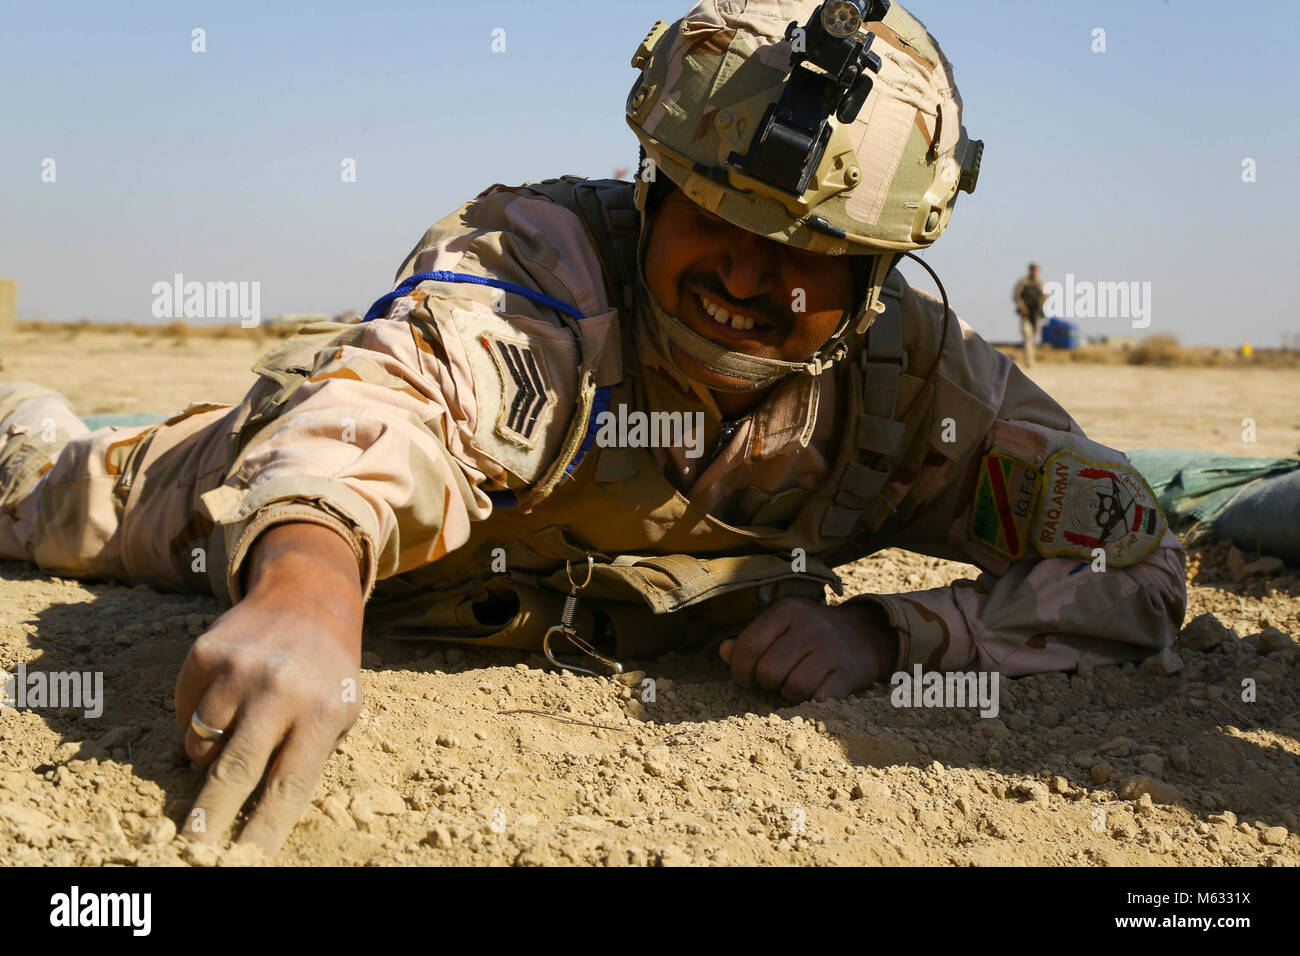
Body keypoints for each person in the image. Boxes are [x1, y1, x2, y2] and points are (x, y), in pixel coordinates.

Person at [0, 0, 1186, 856]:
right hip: (251, 489)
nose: (751, 277)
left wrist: (894, 632)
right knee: (41, 489)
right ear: (653, 190)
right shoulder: (540, 274)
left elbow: (1133, 559)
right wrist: (306, 582)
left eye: (811, 257)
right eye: (718, 219)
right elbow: (385, 413)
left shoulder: (916, 388)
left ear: (875, 274)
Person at [1014, 263, 1047, 367]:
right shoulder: (1024, 282)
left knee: (1033, 337)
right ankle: (1029, 362)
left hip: (1036, 314)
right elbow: (1016, 296)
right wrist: (1023, 307)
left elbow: (1045, 297)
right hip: (1026, 314)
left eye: (1036, 270)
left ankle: (1031, 360)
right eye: (1033, 270)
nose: (1034, 272)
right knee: (1027, 336)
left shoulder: (1040, 283)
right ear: (1030, 270)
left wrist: (1041, 305)